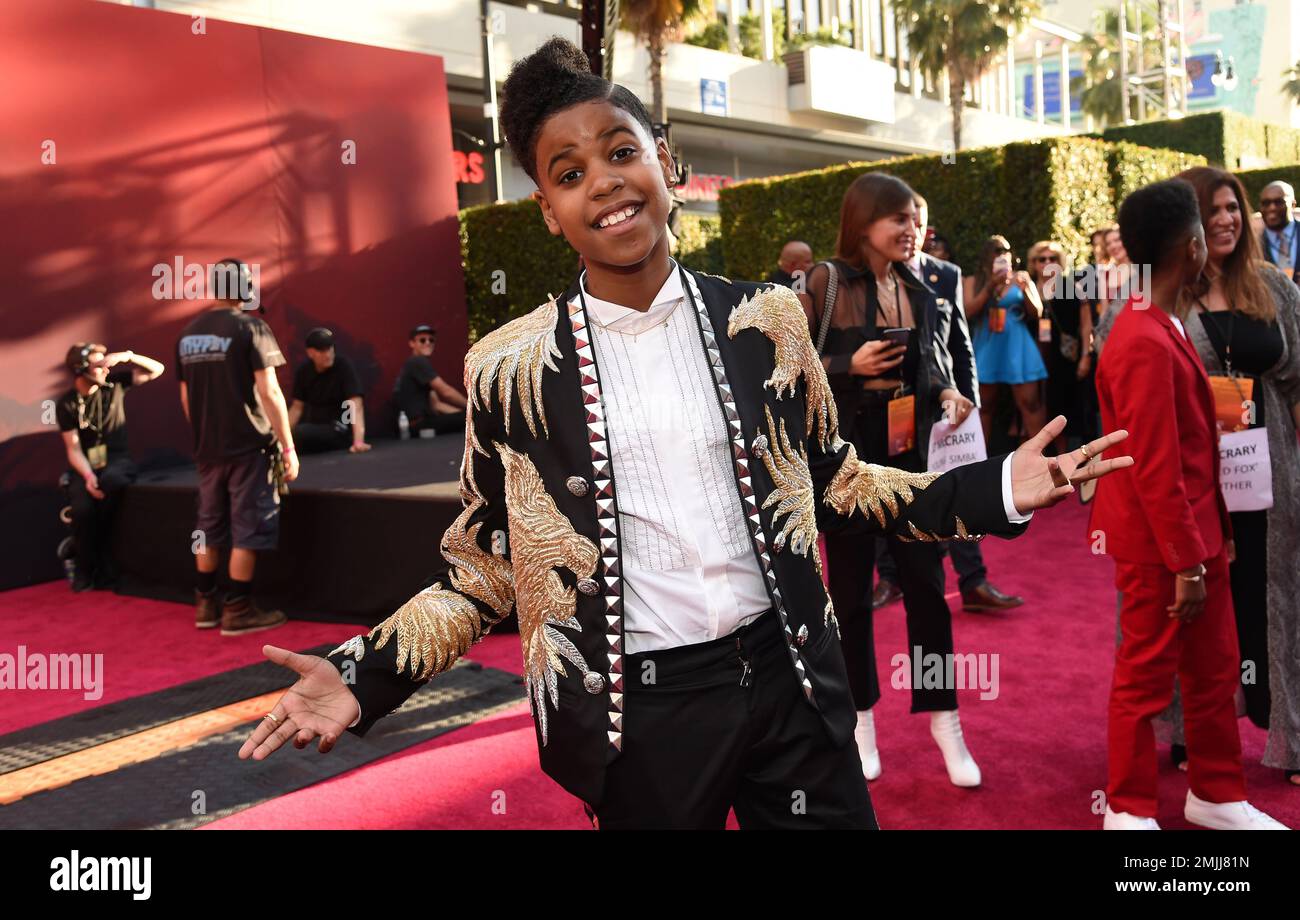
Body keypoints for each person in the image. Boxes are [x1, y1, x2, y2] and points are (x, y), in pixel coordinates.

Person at [238, 37, 1132, 830]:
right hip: (639, 720)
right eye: (569, 172)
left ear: (664, 162)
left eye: (621, 152)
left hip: (792, 680)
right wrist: (366, 677)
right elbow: (487, 566)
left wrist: (1000, 489)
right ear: (548, 209)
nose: (606, 183)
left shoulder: (766, 319)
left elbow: (840, 481)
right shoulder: (509, 370)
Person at [1092, 178, 1285, 830]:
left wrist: (1211, 542)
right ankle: (1127, 809)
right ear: (1194, 247)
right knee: (1145, 681)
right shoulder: (1142, 336)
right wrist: (1188, 564)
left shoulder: (1160, 318)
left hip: (1196, 538)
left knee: (1213, 673)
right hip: (1163, 548)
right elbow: (1155, 468)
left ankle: (1217, 795)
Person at [1177, 166, 1300, 786]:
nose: (1225, 219)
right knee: (1200, 597)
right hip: (1197, 474)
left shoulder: (1275, 288)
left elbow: (1298, 380)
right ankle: (1191, 730)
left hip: (1272, 468)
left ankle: (1291, 735)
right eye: (1210, 210)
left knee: (1277, 593)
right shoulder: (1163, 298)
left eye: (1232, 207)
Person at [875, 195, 1023, 615]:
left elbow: (960, 341)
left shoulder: (945, 274)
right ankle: (890, 579)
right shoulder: (875, 276)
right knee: (891, 489)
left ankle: (973, 582)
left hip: (946, 405)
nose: (914, 229)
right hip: (897, 407)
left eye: (920, 220)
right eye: (904, 220)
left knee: (959, 491)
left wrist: (971, 401)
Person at [177, 258, 296, 636]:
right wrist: (288, 446)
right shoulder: (251, 327)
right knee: (248, 527)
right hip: (248, 447)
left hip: (207, 450)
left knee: (208, 526)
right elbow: (271, 391)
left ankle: (205, 605)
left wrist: (206, 433)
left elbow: (186, 398)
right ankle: (238, 610)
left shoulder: (188, 334)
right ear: (245, 288)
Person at [55, 343, 164, 591]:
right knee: (82, 510)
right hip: (84, 466)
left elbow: (158, 369)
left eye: (106, 364)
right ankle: (84, 571)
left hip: (117, 461)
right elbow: (72, 449)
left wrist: (128, 356)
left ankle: (103, 560)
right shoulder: (66, 404)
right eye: (98, 364)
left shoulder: (116, 384)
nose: (105, 368)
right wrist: (87, 476)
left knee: (113, 481)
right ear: (80, 370)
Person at [964, 236, 1048, 449]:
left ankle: (1041, 459)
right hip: (987, 346)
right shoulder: (974, 281)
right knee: (983, 406)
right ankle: (978, 462)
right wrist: (991, 285)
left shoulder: (1021, 279)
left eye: (1006, 252)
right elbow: (968, 311)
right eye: (997, 252)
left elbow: (1037, 312)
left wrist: (1026, 288)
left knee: (1030, 403)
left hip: (1017, 345)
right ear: (987, 259)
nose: (1002, 255)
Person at [1029, 241, 1096, 453]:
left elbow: (1086, 325)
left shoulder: (1072, 288)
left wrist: (1086, 355)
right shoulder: (1028, 288)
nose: (1048, 263)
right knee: (1037, 407)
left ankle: (1066, 459)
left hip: (1066, 360)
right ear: (1034, 263)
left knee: (1065, 410)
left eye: (1053, 259)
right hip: (1034, 359)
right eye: (1042, 259)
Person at [288, 327, 370, 454]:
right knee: (294, 435)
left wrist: (358, 441)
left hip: (340, 428)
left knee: (301, 433)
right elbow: (296, 408)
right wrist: (280, 439)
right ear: (310, 353)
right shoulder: (303, 371)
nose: (328, 354)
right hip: (314, 428)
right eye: (322, 351)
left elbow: (355, 404)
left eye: (330, 348)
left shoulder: (343, 366)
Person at [394, 324, 466, 436]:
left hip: (420, 425)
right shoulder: (418, 362)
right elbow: (446, 392)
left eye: (431, 340)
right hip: (422, 424)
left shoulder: (414, 365)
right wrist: (471, 407)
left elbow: (437, 405)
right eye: (422, 340)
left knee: (468, 419)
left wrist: (465, 415)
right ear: (412, 343)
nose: (427, 343)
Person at [1257, 180, 1298, 284]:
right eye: (1265, 203)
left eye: (1278, 202)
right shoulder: (1252, 246)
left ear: (1293, 204)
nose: (1272, 208)